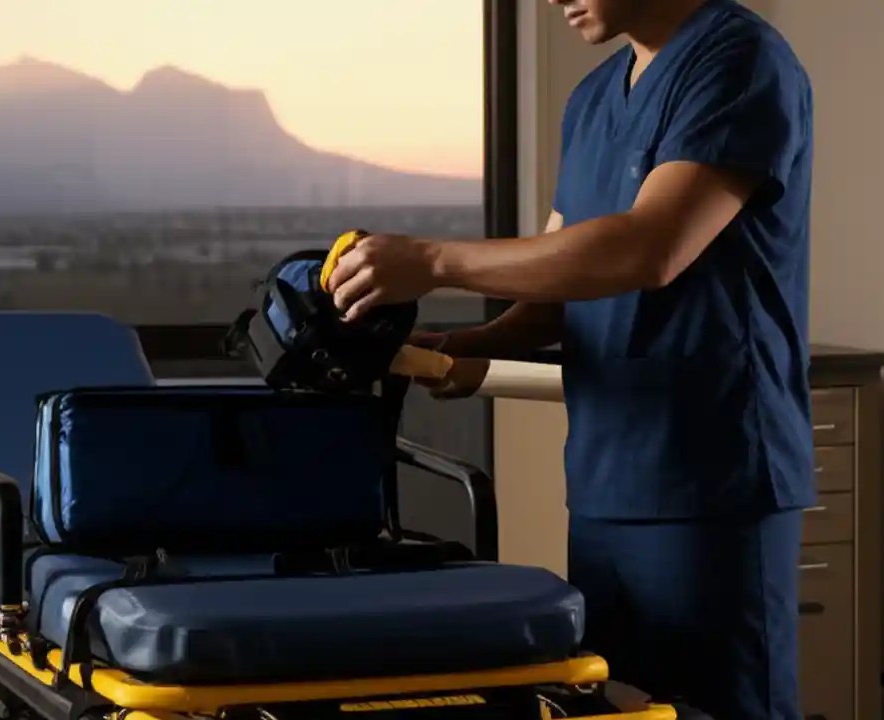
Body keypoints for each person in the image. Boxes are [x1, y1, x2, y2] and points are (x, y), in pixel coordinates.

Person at [324, 0, 814, 717]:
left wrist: (432, 260)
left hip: (713, 479)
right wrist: (466, 348)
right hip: (604, 484)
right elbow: (560, 285)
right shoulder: (591, 101)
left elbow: (650, 248)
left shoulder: (740, 60)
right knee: (617, 705)